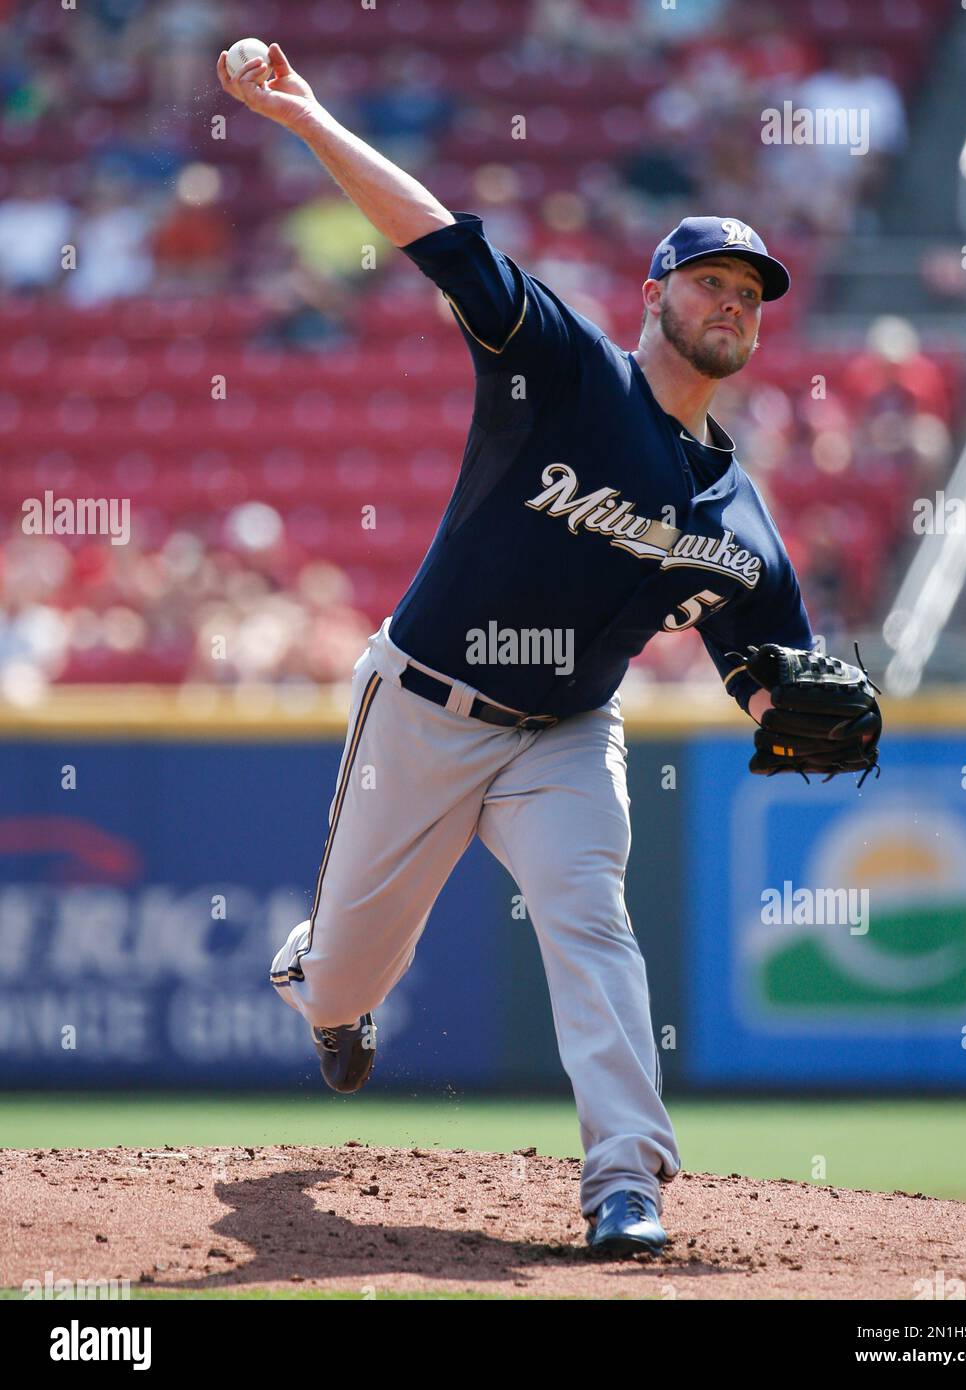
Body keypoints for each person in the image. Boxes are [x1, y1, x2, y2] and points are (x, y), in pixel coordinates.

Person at [219, 42, 814, 1258]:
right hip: (425, 704)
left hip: (566, 734)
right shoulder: (566, 368)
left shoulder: (741, 522)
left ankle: (624, 1183)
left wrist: (800, 722)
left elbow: (772, 682)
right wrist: (307, 113)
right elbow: (436, 235)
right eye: (710, 282)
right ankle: (320, 982)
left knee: (590, 921)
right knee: (343, 983)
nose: (731, 305)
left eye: (749, 295)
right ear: (655, 294)